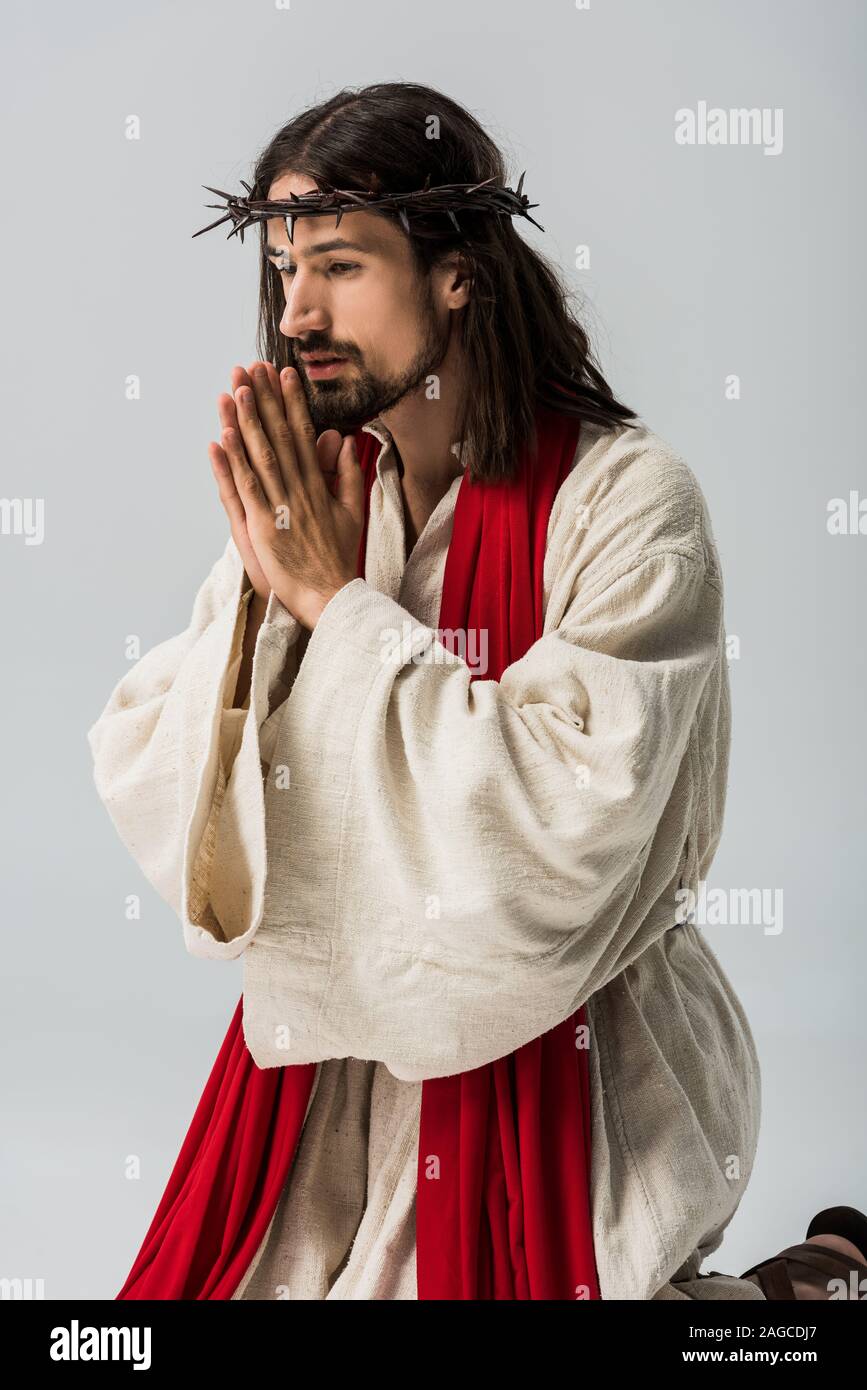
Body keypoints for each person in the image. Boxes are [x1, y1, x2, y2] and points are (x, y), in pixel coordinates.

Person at [86, 81, 866, 1301]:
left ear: (459, 274)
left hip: (569, 1053)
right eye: (284, 270)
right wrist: (278, 605)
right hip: (341, 1073)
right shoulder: (338, 492)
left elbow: (555, 827)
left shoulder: (630, 505)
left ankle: (807, 1285)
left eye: (339, 264)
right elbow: (163, 757)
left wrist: (333, 610)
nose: (296, 312)